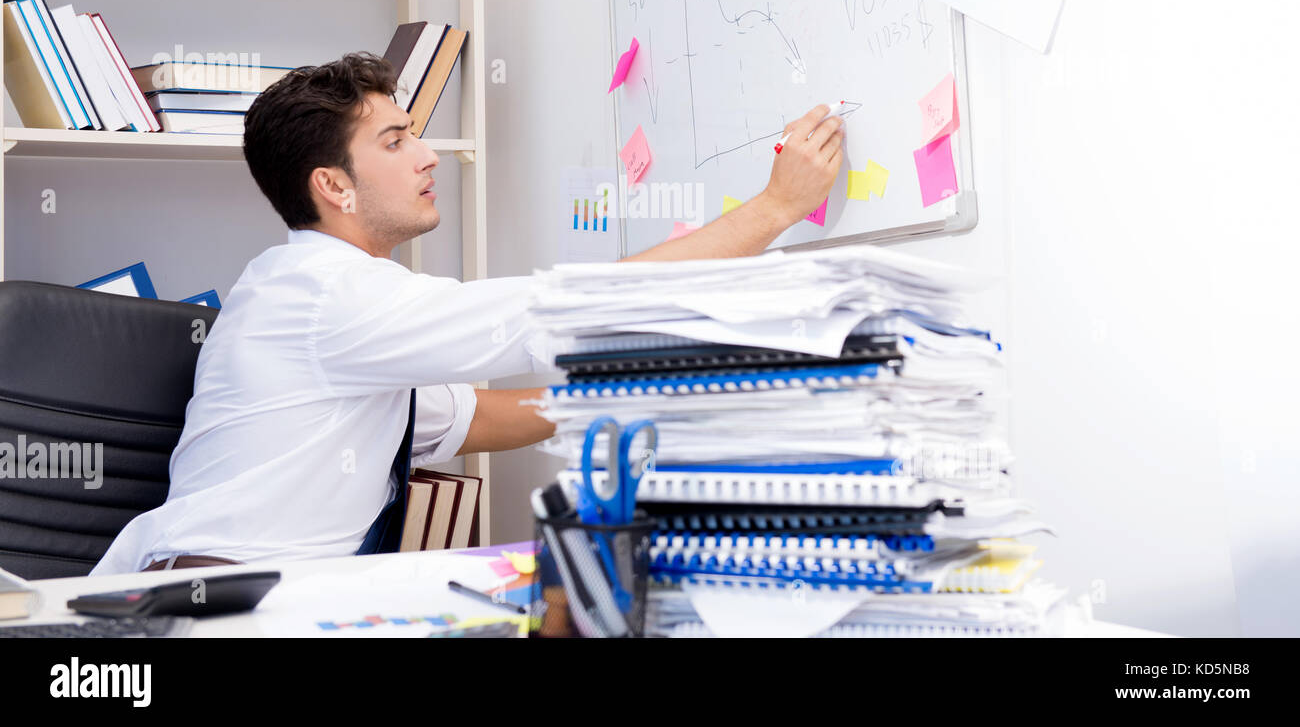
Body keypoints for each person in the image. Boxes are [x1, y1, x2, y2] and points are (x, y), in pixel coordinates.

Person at [90, 52, 844, 575]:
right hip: (225, 606)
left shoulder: (324, 301)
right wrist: (776, 208)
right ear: (334, 186)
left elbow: (480, 417)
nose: (428, 156)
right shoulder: (329, 296)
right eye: (396, 141)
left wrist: (645, 389)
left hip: (275, 594)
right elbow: (564, 310)